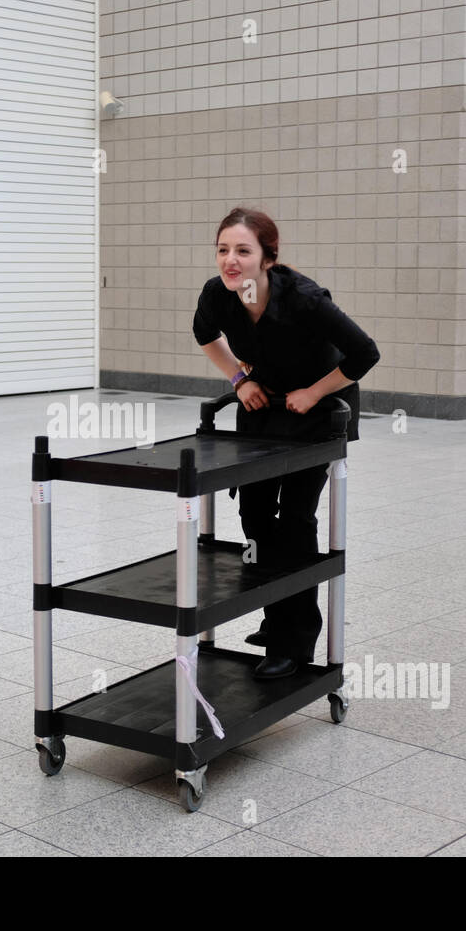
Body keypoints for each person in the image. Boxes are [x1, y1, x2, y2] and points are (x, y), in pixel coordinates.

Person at [192, 208, 380, 680]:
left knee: (295, 520)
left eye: (243, 251)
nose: (230, 260)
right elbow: (204, 335)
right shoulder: (219, 293)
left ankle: (293, 643)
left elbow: (365, 353)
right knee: (254, 515)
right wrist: (238, 380)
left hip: (319, 410)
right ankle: (275, 613)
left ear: (269, 258)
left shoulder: (304, 299)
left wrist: (314, 392)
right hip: (262, 407)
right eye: (223, 250)